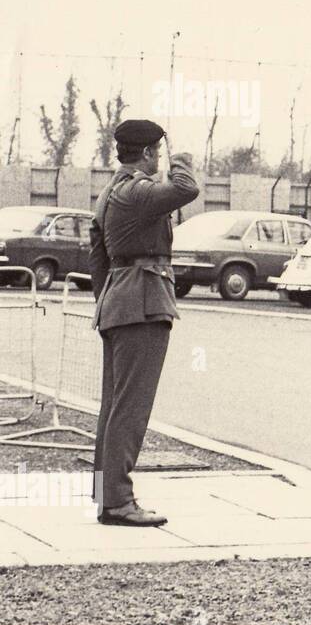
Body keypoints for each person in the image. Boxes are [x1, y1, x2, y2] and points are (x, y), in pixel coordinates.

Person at [88, 119, 199, 526]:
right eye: (159, 152)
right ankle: (117, 502)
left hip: (121, 303)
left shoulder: (110, 192)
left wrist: (106, 301)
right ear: (150, 153)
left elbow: (96, 254)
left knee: (113, 408)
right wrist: (182, 157)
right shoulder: (137, 190)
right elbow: (187, 188)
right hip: (143, 304)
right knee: (131, 408)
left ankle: (106, 497)